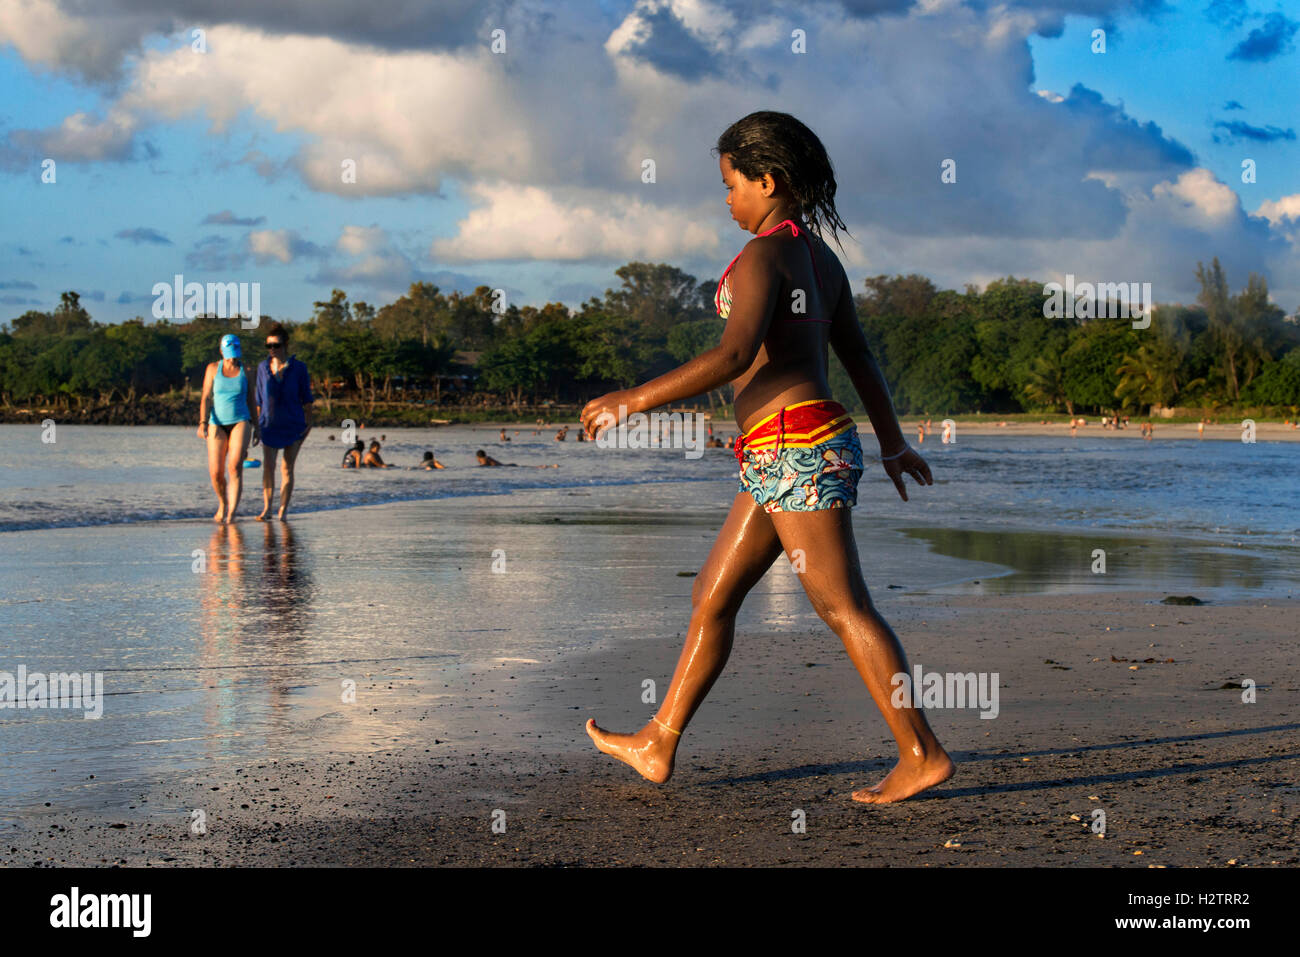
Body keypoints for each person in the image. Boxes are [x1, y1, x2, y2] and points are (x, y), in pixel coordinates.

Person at [581, 111, 950, 804]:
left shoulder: (763, 256)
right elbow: (860, 358)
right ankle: (660, 739)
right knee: (712, 594)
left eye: (730, 184)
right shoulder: (821, 260)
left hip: (794, 447)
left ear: (768, 180)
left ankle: (921, 751)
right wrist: (893, 441)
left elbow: (733, 354)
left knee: (845, 607)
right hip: (782, 452)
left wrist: (631, 399)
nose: (726, 199)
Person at [254, 323, 314, 521]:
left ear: (285, 344)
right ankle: (267, 508)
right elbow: (258, 399)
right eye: (269, 346)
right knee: (268, 467)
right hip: (268, 425)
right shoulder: (263, 368)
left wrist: (309, 422)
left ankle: (283, 510)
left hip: (293, 424)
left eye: (276, 345)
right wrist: (256, 425)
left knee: (287, 468)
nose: (272, 350)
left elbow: (307, 398)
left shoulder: (299, 368)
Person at [197, 333, 259, 523]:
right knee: (216, 472)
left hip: (241, 421)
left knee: (234, 467)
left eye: (235, 353)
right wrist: (203, 423)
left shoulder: (247, 370)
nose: (232, 357)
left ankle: (231, 513)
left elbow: (251, 400)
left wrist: (257, 426)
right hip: (217, 422)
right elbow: (206, 397)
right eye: (229, 353)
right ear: (221, 351)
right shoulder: (213, 369)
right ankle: (223, 503)